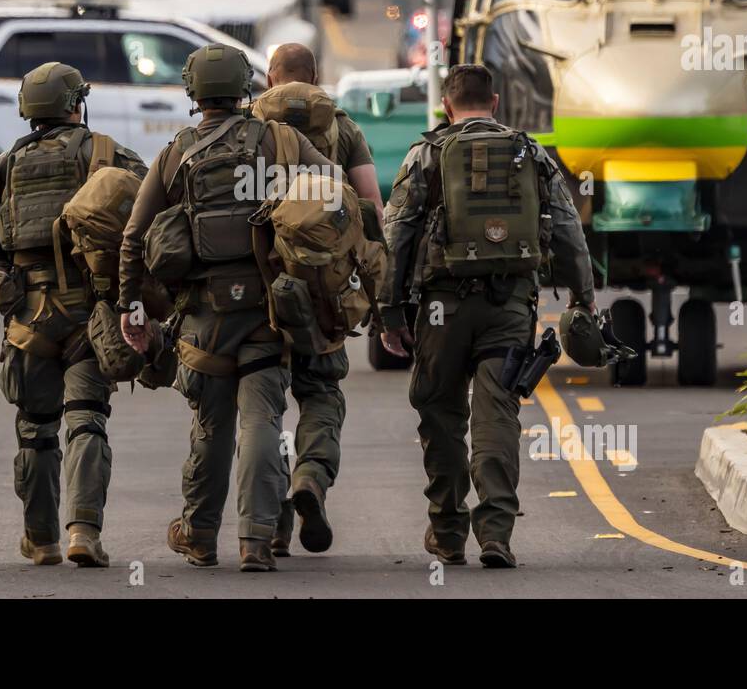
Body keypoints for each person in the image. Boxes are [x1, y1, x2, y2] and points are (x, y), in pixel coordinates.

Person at [117, 42, 335, 572]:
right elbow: (335, 192)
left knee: (211, 427)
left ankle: (199, 534)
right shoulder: (281, 138)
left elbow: (133, 237)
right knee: (263, 417)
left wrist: (130, 307)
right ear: (246, 87)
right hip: (268, 309)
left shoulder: (177, 152)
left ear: (193, 91)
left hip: (202, 317)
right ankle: (257, 539)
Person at [378, 63, 597, 568]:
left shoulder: (425, 155)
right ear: (495, 103)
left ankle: (449, 530)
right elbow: (566, 229)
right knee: (497, 412)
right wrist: (583, 297)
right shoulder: (531, 153)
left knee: (441, 413)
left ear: (447, 107)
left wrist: (390, 311)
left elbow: (397, 236)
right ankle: (496, 530)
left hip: (441, 309)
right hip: (509, 307)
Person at [0, 62, 146, 567]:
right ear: (74, 104)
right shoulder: (108, 154)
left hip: (29, 314)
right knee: (87, 419)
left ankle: (40, 539)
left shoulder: (0, 167)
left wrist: (6, 267)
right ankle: (82, 531)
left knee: (34, 427)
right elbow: (149, 214)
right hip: (92, 311)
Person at [257, 42, 382, 557]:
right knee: (321, 394)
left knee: (261, 405)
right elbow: (372, 206)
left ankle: (272, 525)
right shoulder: (343, 127)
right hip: (326, 292)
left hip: (262, 288)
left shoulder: (251, 126)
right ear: (316, 77)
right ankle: (310, 475)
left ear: (270, 78)